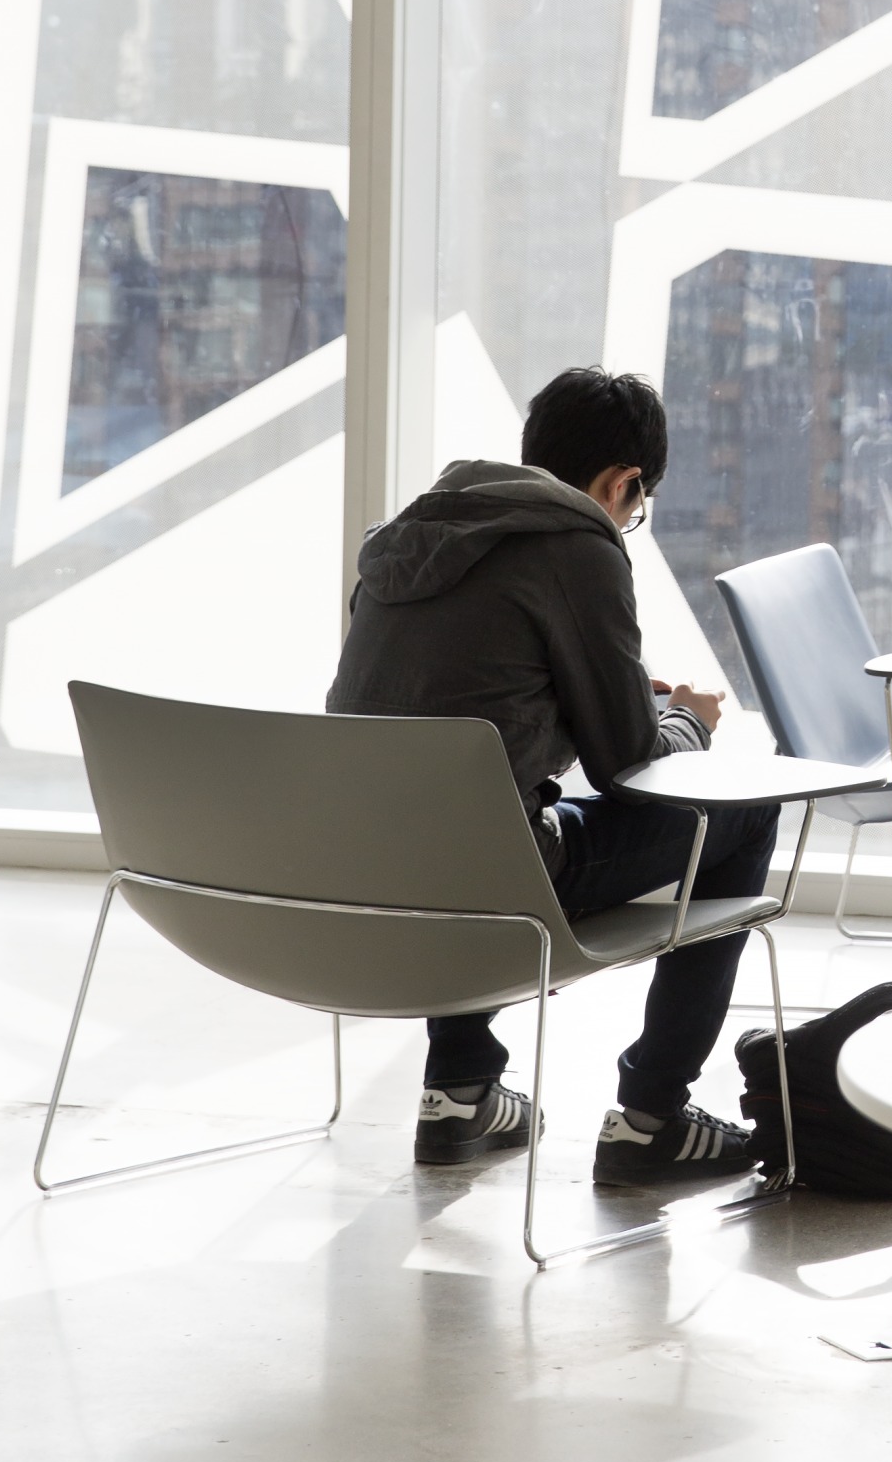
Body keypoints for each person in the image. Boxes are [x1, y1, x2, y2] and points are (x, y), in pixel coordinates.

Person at [328, 365, 779, 1192]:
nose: (627, 521)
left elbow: (447, 709)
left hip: (363, 882)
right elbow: (628, 768)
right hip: (496, 888)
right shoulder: (579, 544)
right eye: (635, 509)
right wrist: (689, 723)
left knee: (471, 813)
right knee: (745, 812)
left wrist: (573, 695)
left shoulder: (403, 539)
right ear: (623, 481)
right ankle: (653, 1118)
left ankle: (460, 1091)